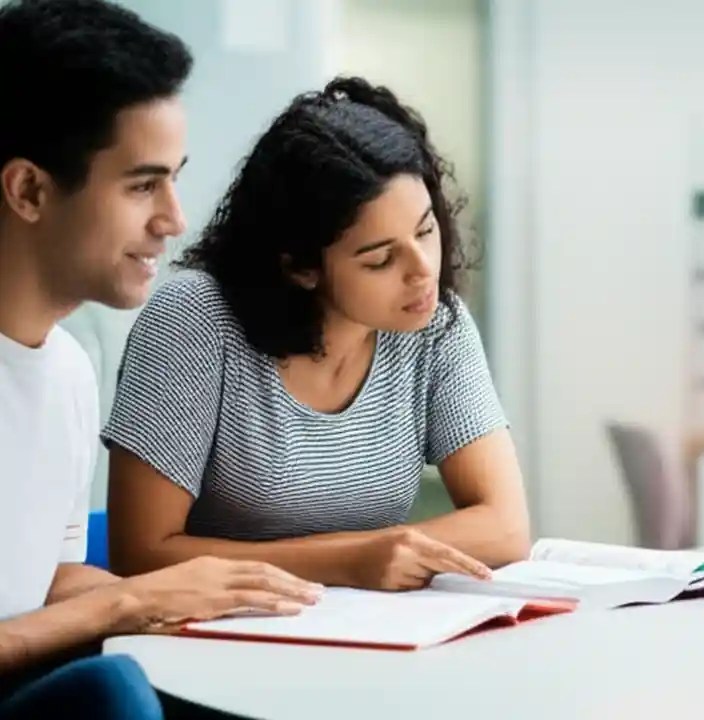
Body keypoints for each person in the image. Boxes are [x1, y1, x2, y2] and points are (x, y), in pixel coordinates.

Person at [0, 1, 320, 717]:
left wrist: (221, 593)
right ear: (28, 190)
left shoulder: (68, 373)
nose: (175, 220)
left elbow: (37, 586)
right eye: (143, 185)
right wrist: (127, 599)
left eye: (175, 179)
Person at [103, 76, 529, 590]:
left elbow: (505, 527)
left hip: (369, 634)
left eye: (424, 230)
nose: (423, 271)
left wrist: (373, 556)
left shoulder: (436, 324)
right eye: (380, 259)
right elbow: (141, 553)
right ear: (302, 268)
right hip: (216, 639)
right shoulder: (196, 318)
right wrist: (348, 560)